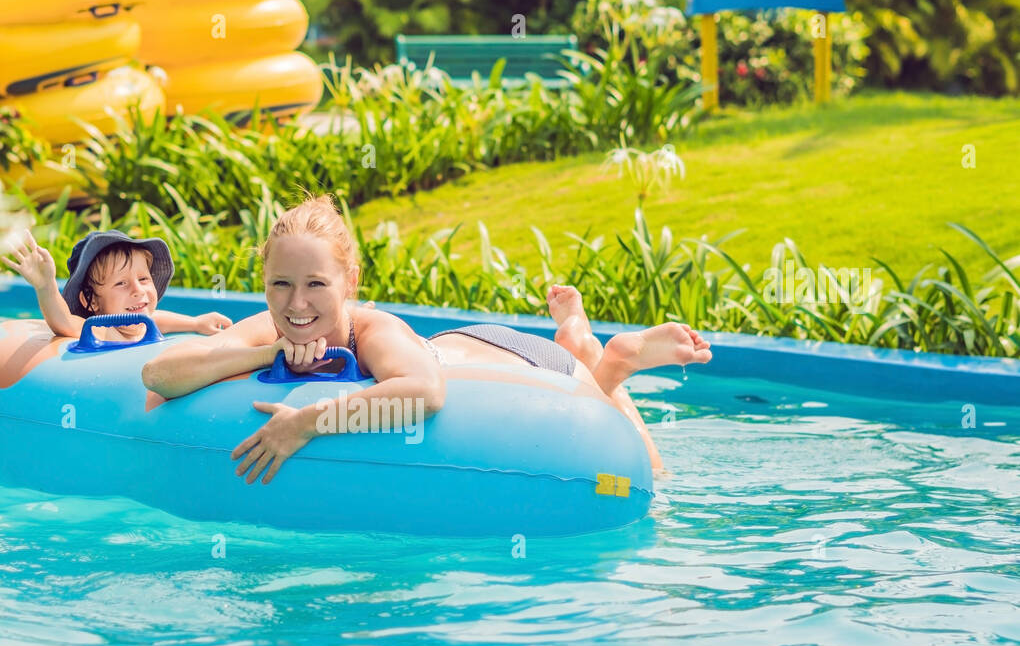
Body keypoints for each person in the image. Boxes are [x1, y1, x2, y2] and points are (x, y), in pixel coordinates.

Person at [142, 195, 711, 484]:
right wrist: (269, 353)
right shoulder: (274, 327)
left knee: (653, 481)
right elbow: (160, 375)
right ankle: (590, 351)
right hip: (458, 347)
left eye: (316, 284)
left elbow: (425, 394)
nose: (297, 304)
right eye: (280, 285)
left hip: (511, 354)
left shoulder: (372, 329)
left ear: (351, 283)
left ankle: (603, 358)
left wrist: (309, 420)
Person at [4, 229, 232, 342]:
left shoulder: (141, 326)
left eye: (143, 279)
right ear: (91, 300)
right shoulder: (104, 331)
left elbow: (157, 319)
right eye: (121, 283)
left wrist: (195, 322)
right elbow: (64, 324)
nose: (138, 290)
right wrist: (46, 286)